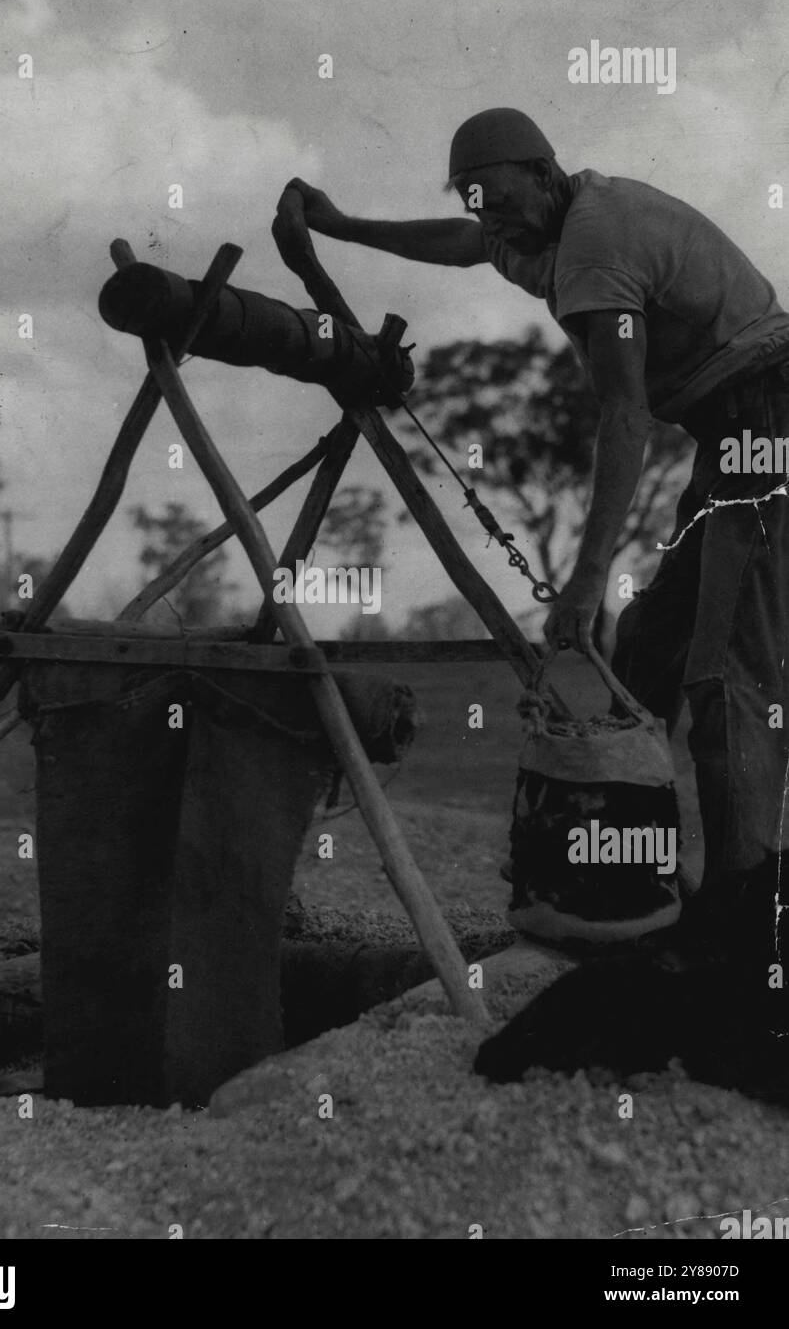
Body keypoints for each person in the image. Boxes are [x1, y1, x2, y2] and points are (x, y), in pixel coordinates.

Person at [285, 109, 789, 973]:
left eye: (500, 200)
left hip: (767, 414)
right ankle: (624, 881)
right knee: (647, 648)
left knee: (728, 674)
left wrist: (586, 583)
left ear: (542, 169)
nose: (491, 221)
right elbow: (457, 241)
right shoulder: (529, 227)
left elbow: (624, 412)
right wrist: (339, 227)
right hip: (726, 427)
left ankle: (742, 931)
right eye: (479, 206)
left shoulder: (596, 238)